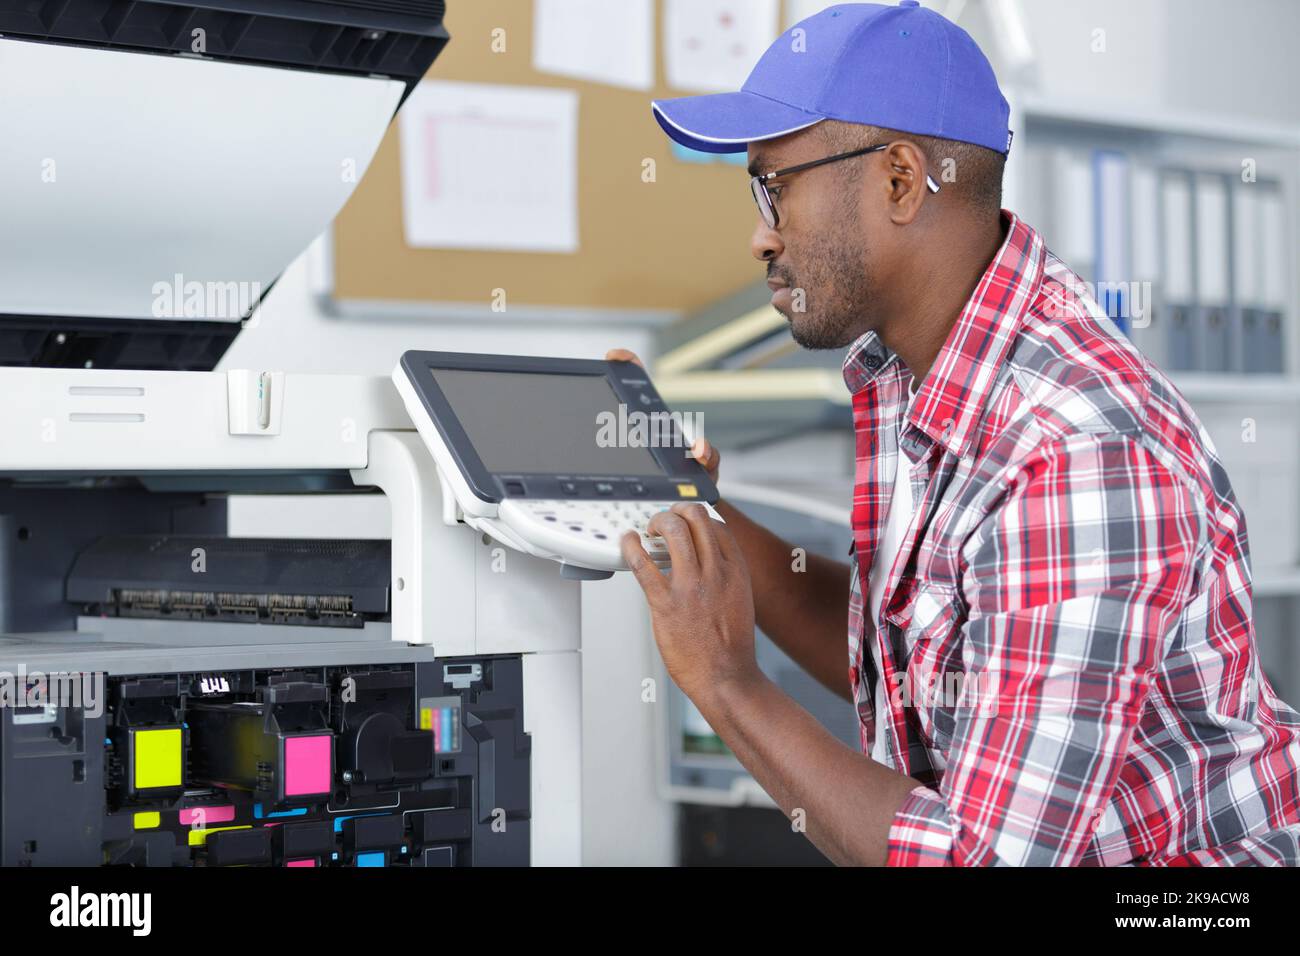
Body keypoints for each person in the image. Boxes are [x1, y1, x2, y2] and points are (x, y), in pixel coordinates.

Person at [612, 1, 1300, 866]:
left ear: (901, 180)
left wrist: (725, 683)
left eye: (775, 187)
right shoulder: (919, 370)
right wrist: (698, 518)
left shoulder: (1074, 450)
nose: (759, 236)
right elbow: (912, 664)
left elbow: (981, 861)